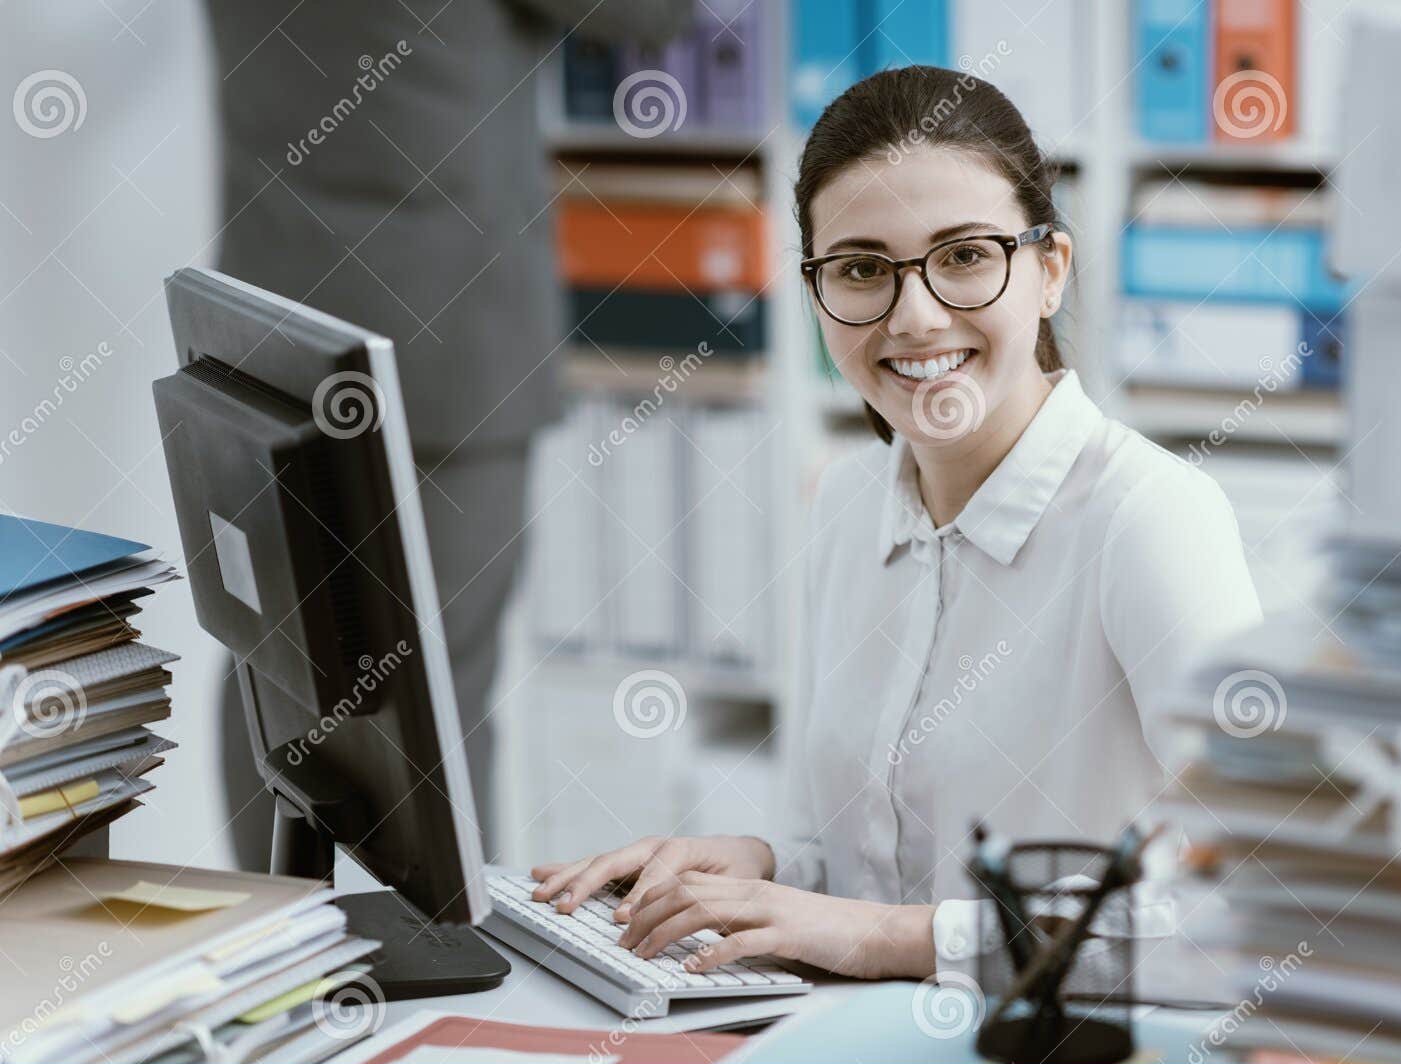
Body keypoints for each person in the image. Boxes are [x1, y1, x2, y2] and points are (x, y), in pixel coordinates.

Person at [528, 65, 1263, 979]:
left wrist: (885, 941)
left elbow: (1259, 913)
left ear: (1048, 272)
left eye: (963, 256)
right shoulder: (847, 502)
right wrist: (763, 870)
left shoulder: (1149, 516)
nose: (914, 317)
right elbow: (874, 872)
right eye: (863, 269)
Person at [203, 0, 691, 867]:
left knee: (274, 668)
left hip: (270, 310)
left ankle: (277, 960)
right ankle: (436, 965)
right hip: (444, 334)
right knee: (434, 696)